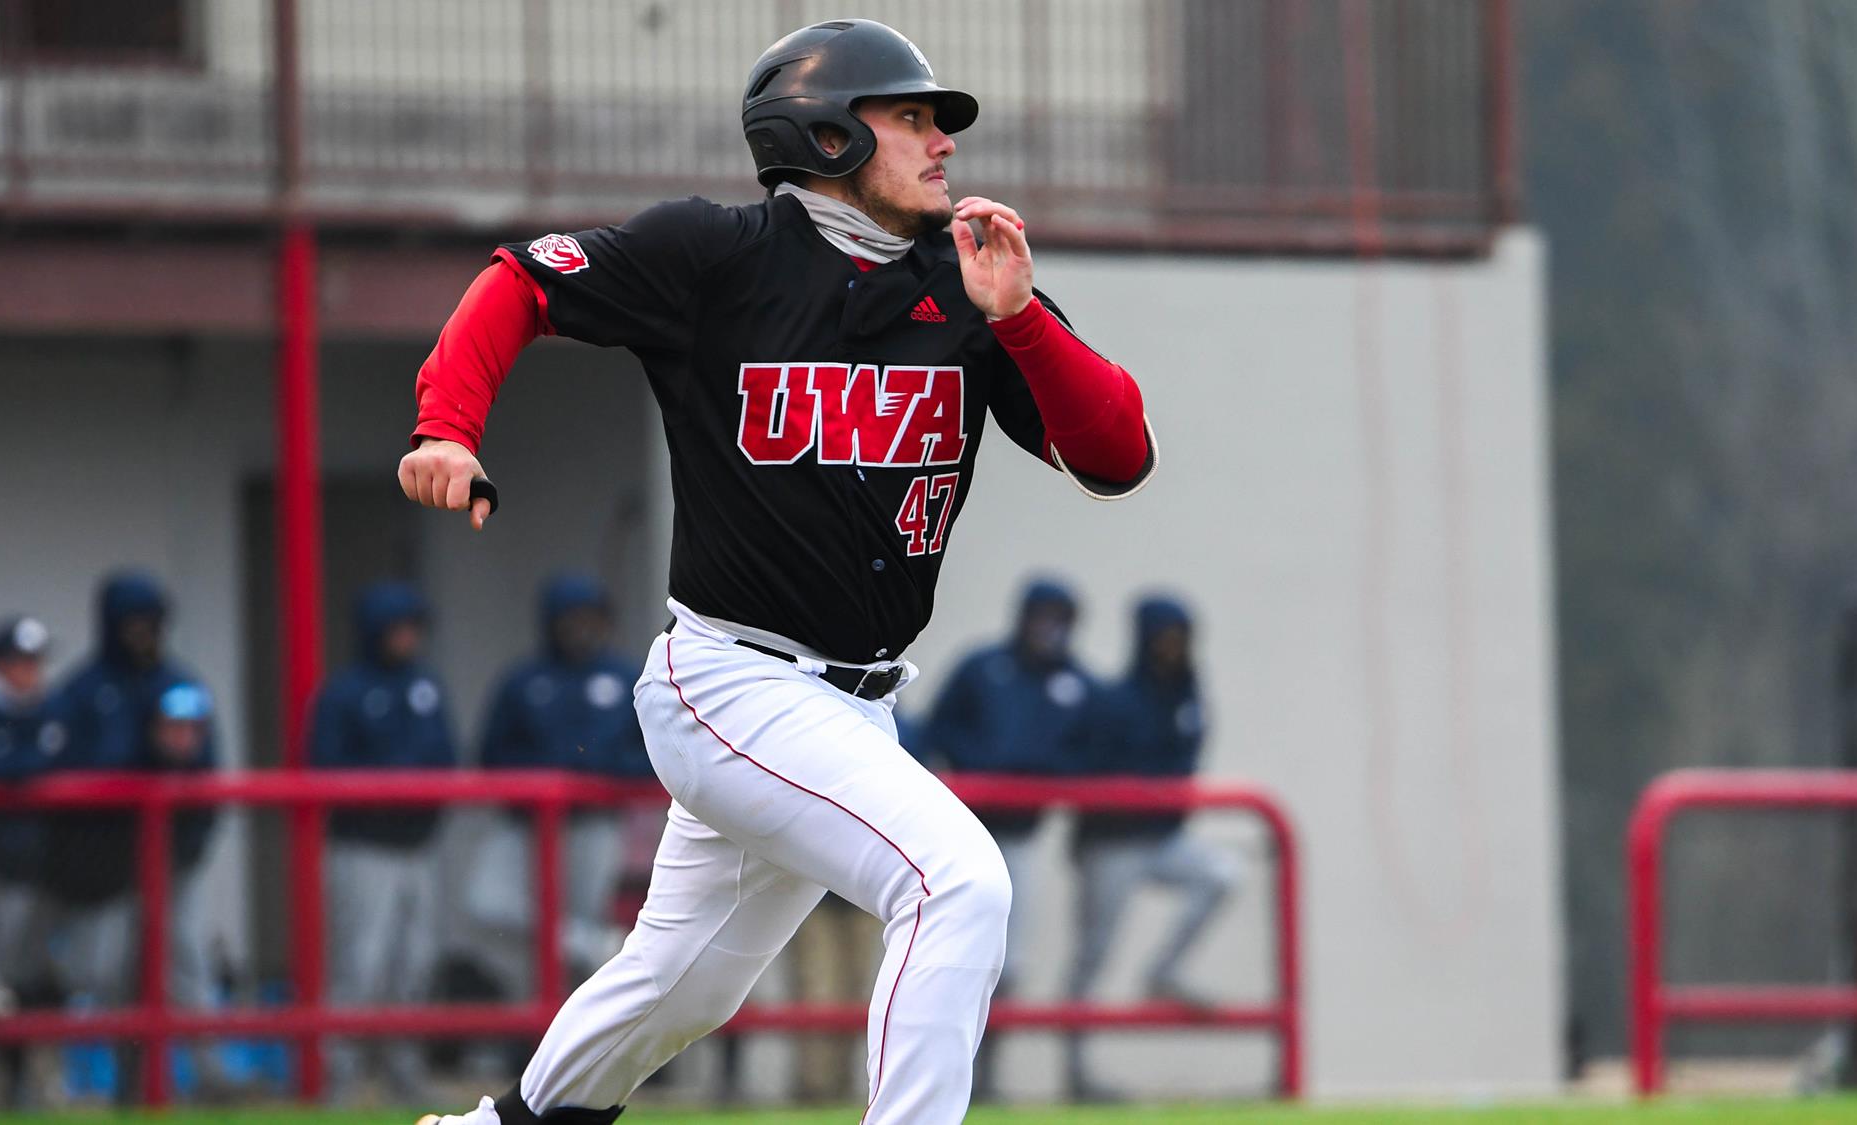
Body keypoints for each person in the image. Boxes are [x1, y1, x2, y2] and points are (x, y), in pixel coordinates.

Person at [398, 18, 1155, 1125]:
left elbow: (1117, 457)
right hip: (730, 678)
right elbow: (522, 282)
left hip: (858, 705)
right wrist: (445, 427)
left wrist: (1023, 321)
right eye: (910, 118)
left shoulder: (967, 286)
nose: (942, 142)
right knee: (957, 881)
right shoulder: (715, 255)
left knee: (681, 984)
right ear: (825, 134)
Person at [42, 573, 225, 1102]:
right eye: (133, 623)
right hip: (106, 865)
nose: (143, 634)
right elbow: (64, 773)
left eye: (152, 623)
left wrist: (191, 842)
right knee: (100, 972)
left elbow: (208, 769)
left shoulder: (180, 684)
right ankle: (77, 1082)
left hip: (172, 856)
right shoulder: (84, 689)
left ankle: (208, 1072)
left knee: (184, 960)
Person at [923, 578, 1101, 1100]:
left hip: (1023, 836)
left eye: (1059, 616)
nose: (1049, 627)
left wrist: (1041, 771)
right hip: (962, 829)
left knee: (1006, 960)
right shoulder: (983, 668)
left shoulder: (1075, 683)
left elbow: (1089, 751)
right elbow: (938, 729)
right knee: (950, 950)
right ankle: (947, 1073)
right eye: (1042, 614)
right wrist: (981, 764)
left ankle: (985, 1078)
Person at [1062, 596, 1239, 1101]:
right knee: (1093, 953)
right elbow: (1083, 762)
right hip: (1111, 843)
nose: (1171, 647)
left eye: (1179, 637)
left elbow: (1185, 759)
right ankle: (1077, 1074)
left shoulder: (1187, 694)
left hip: (1163, 839)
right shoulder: (1116, 698)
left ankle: (1164, 972)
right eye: (1163, 636)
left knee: (1223, 874)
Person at [308, 582, 456, 1105]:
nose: (407, 638)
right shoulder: (345, 691)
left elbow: (447, 755)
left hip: (419, 847)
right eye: (398, 628)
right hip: (363, 849)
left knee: (415, 963)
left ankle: (404, 1073)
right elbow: (324, 765)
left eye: (413, 628)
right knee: (360, 965)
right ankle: (338, 1078)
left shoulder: (426, 686)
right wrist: (393, 781)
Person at [472, 574, 652, 984]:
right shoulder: (524, 680)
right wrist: (548, 768)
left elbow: (656, 754)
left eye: (591, 617)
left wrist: (601, 768)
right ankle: (586, 948)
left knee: (580, 932)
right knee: (488, 905)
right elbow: (491, 755)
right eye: (571, 617)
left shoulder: (624, 676)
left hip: (596, 823)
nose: (581, 627)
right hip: (528, 825)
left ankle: (577, 1034)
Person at [0, 617, 63, 1104]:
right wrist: (16, 769)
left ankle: (8, 1095)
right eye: (21, 662)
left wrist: (4, 769)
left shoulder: (49, 709)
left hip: (26, 862)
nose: (30, 672)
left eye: (36, 662)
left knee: (16, 981)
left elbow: (54, 763)